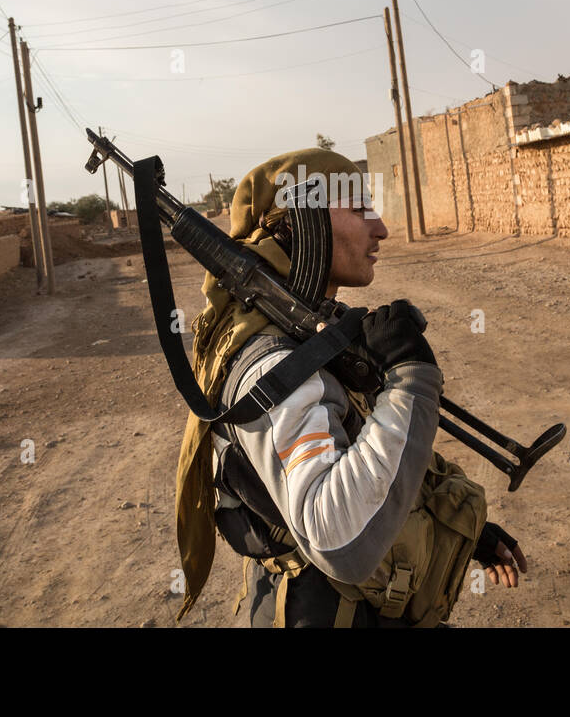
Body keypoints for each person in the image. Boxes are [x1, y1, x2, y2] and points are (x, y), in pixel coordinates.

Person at [173, 147, 527, 627]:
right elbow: (339, 538)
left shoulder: (308, 330)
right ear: (305, 220)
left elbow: (362, 446)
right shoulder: (274, 364)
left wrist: (470, 529)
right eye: (359, 208)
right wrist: (410, 382)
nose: (380, 228)